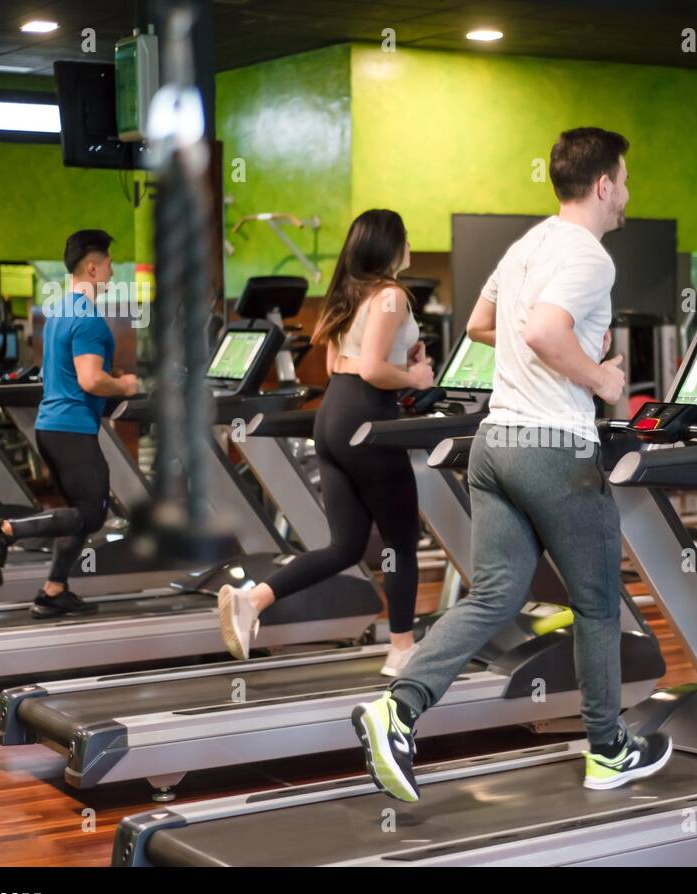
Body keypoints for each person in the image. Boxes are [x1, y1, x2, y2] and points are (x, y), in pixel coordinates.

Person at [352, 128, 672, 802]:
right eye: (625, 181)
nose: (628, 196)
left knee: (496, 593)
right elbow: (539, 332)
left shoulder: (527, 246)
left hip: (495, 446)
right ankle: (609, 749)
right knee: (596, 603)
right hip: (553, 449)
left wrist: (567, 346)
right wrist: (602, 378)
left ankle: (397, 708)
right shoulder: (590, 257)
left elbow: (479, 326)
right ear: (605, 184)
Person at [216, 209, 432, 676]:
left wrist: (398, 361)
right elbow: (373, 369)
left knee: (346, 547)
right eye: (405, 237)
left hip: (332, 418)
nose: (409, 244)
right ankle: (401, 649)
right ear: (389, 247)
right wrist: (413, 374)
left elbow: (338, 362)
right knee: (400, 540)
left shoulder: (349, 294)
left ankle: (252, 600)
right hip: (368, 420)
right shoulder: (391, 295)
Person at [0, 229, 139, 617]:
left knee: (77, 512)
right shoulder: (91, 321)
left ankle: (54, 590)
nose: (113, 273)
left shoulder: (62, 311)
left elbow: (73, 367)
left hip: (54, 427)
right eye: (110, 265)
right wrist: (124, 385)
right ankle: (3, 531)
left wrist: (104, 374)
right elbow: (89, 380)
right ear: (93, 268)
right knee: (93, 513)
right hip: (73, 429)